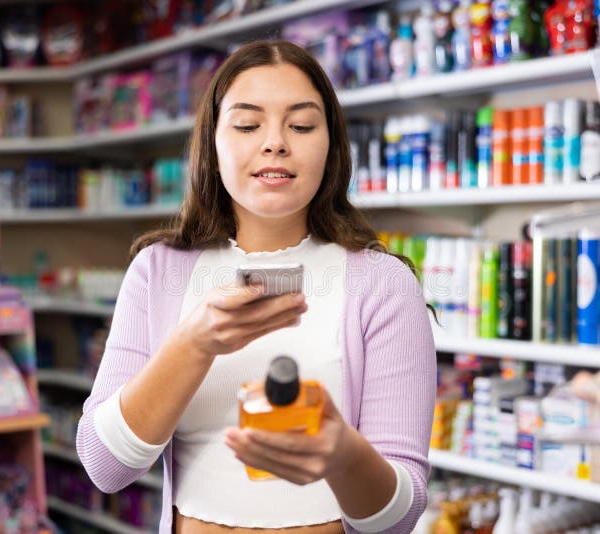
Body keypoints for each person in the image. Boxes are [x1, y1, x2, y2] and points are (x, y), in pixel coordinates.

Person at [76, 40, 436, 534]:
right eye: (247, 124)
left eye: (302, 125)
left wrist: (343, 455)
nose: (275, 143)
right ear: (213, 141)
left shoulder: (383, 284)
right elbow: (105, 468)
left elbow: (399, 518)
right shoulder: (159, 272)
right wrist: (193, 343)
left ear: (330, 145)